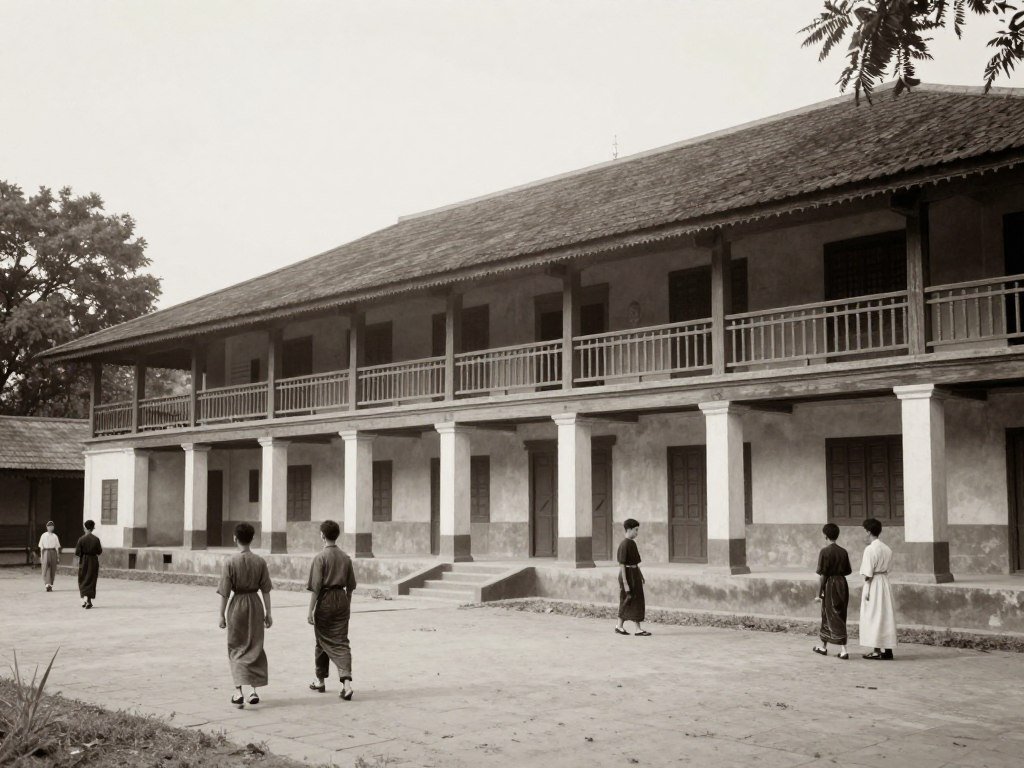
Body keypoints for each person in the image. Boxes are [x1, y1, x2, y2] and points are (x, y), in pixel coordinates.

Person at [216, 522, 273, 707]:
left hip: (237, 606)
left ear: (235, 538)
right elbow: (265, 590)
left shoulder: (230, 562)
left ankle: (238, 691)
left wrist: (221, 615)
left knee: (236, 646)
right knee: (255, 645)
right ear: (252, 538)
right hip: (255, 605)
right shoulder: (260, 561)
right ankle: (253, 691)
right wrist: (268, 612)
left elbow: (225, 592)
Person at [306, 519, 357, 700]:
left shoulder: (320, 558)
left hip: (325, 600)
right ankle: (324, 680)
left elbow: (316, 587)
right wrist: (347, 605)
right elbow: (351, 586)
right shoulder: (345, 557)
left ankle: (344, 683)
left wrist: (310, 610)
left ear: (322, 535)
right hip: (341, 599)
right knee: (336, 640)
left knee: (325, 639)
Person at [859, 517, 898, 660]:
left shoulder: (870, 549)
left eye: (864, 531)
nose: (864, 534)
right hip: (884, 582)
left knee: (873, 614)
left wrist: (867, 586)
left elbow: (867, 573)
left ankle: (876, 650)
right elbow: (890, 568)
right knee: (886, 615)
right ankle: (888, 650)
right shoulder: (887, 548)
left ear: (869, 532)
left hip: (874, 583)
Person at [812, 522, 852, 660]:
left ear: (825, 536)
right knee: (839, 613)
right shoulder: (843, 551)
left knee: (829, 614)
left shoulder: (825, 551)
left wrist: (818, 594)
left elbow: (822, 575)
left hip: (831, 585)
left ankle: (841, 650)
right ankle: (828, 647)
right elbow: (847, 571)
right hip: (842, 584)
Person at [614, 518, 649, 636]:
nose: (637, 533)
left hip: (634, 574)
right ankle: (620, 626)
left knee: (636, 600)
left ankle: (634, 628)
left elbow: (635, 563)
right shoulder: (624, 544)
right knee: (627, 599)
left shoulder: (632, 543)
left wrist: (640, 575)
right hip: (627, 575)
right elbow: (622, 564)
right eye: (636, 530)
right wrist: (625, 583)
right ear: (628, 530)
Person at [74, 520, 102, 609]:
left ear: (85, 528)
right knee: (91, 579)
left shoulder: (81, 539)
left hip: (84, 561)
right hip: (93, 561)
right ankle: (88, 600)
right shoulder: (96, 539)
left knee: (83, 579)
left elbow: (77, 552)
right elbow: (99, 551)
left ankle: (84, 599)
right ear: (93, 528)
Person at [38, 521, 62, 592]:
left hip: (53, 552)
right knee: (45, 568)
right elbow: (41, 547)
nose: (50, 528)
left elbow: (57, 547)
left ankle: (50, 585)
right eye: (49, 526)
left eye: (52, 526)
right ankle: (47, 584)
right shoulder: (43, 535)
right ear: (47, 527)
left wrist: (57, 557)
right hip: (45, 551)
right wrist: (41, 556)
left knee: (52, 568)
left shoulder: (55, 536)